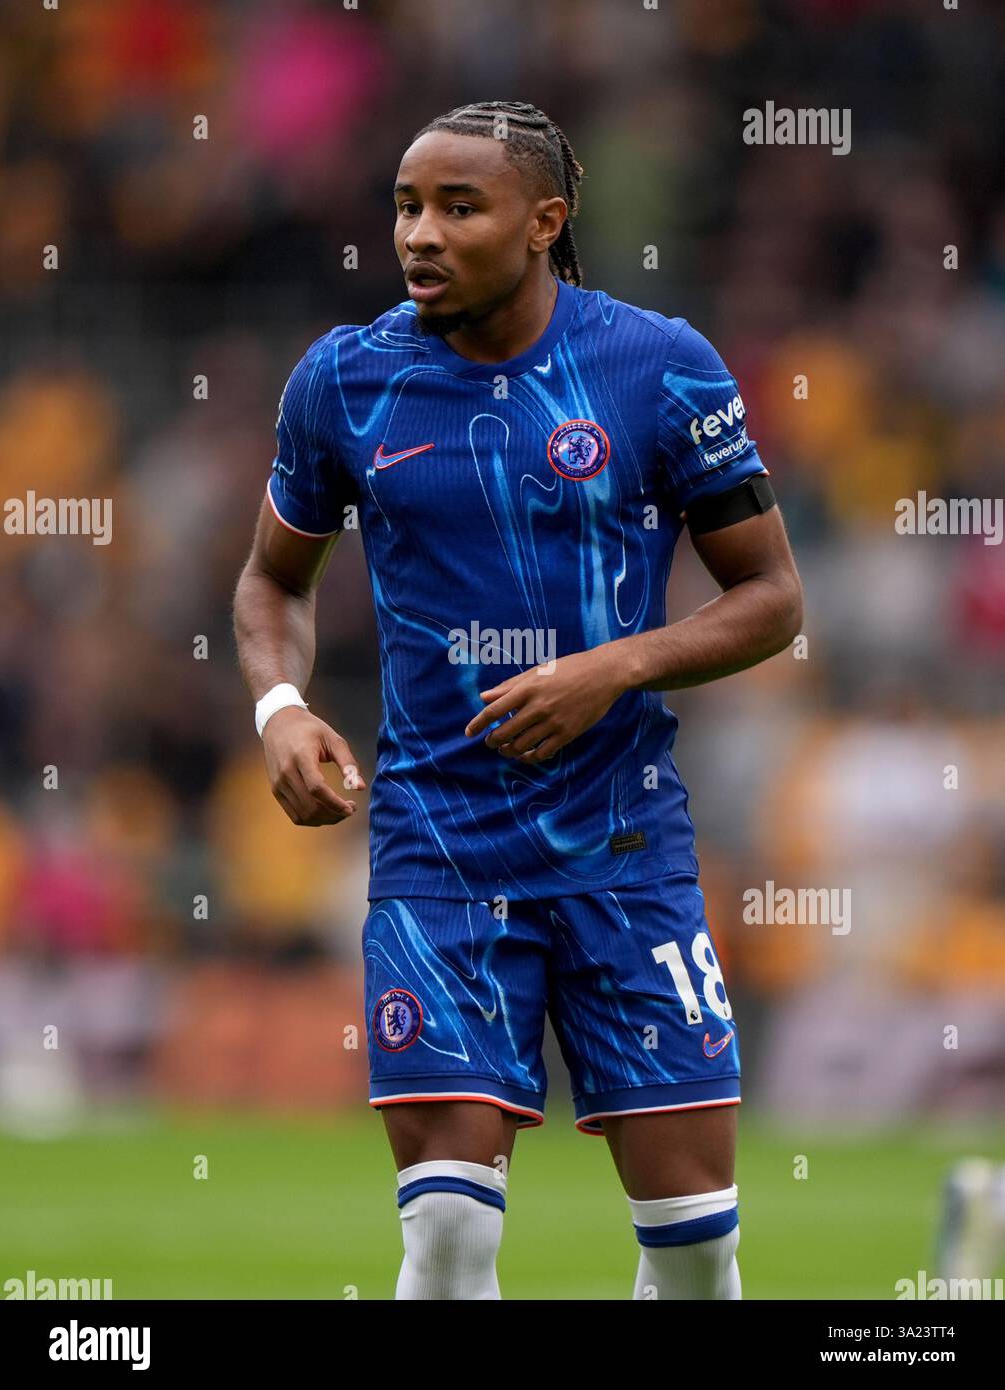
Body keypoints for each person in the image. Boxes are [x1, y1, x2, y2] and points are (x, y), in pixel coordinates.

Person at [233, 100, 804, 1300]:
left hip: (625, 850)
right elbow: (270, 582)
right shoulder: (346, 381)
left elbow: (771, 598)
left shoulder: (658, 367)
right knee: (447, 1240)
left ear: (545, 221)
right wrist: (280, 704)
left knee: (696, 1249)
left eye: (458, 206)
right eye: (405, 206)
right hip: (439, 851)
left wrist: (616, 665)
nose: (420, 234)